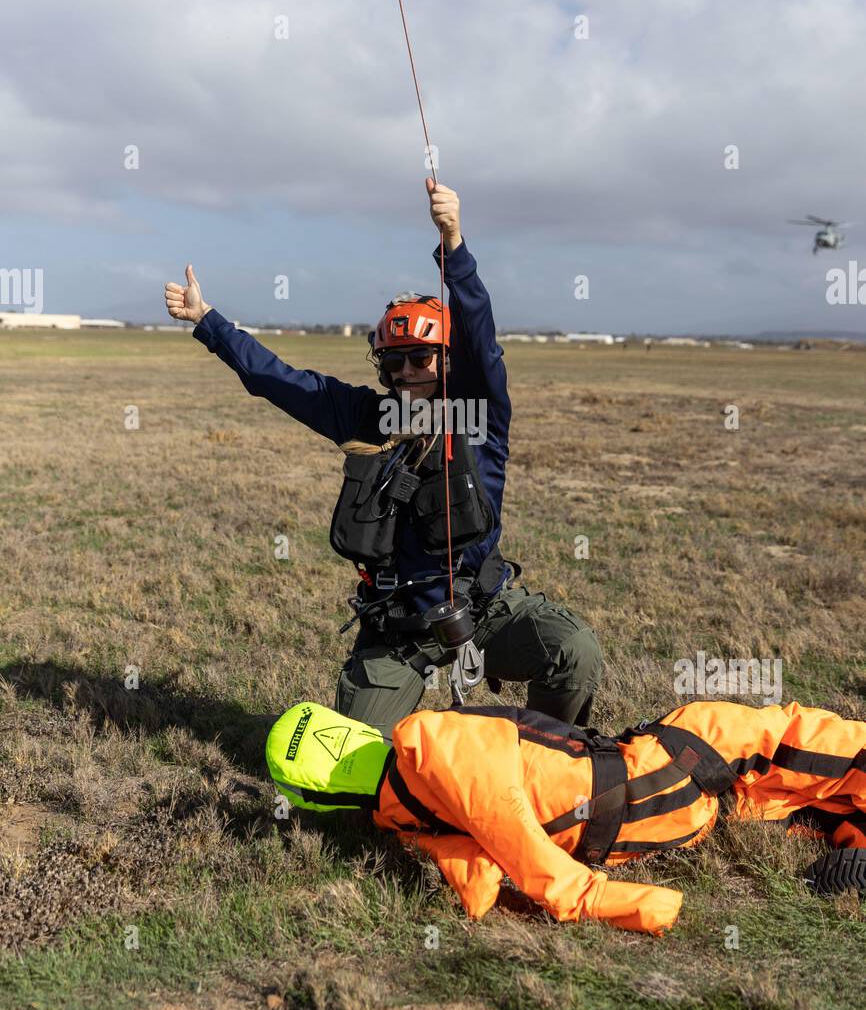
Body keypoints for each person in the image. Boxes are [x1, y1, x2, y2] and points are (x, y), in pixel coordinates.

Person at [164, 180, 602, 736]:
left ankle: (544, 754)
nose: (407, 373)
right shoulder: (363, 417)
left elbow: (482, 338)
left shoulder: (479, 414)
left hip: (485, 605)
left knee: (574, 651)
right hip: (400, 627)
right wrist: (208, 321)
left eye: (422, 358)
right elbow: (274, 379)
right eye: (395, 362)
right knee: (357, 757)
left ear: (447, 361)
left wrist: (454, 245)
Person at [265, 696, 866, 935]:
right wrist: (600, 900)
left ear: (326, 798)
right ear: (350, 732)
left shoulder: (409, 823)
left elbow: (479, 885)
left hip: (654, 828)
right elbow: (505, 819)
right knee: (801, 740)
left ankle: (853, 843)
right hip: (663, 766)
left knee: (781, 800)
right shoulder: (424, 737)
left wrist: (593, 891)